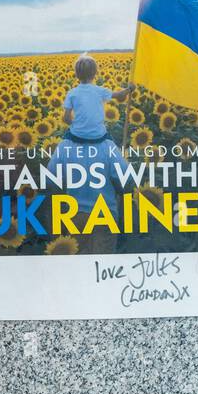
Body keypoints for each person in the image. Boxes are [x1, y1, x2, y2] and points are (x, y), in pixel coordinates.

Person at [46, 54, 133, 252]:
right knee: (103, 265)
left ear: (76, 75)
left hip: (74, 215)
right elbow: (126, 179)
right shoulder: (108, 147)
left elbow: (51, 181)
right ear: (95, 73)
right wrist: (129, 90)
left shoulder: (65, 146)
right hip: (105, 215)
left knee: (79, 266)